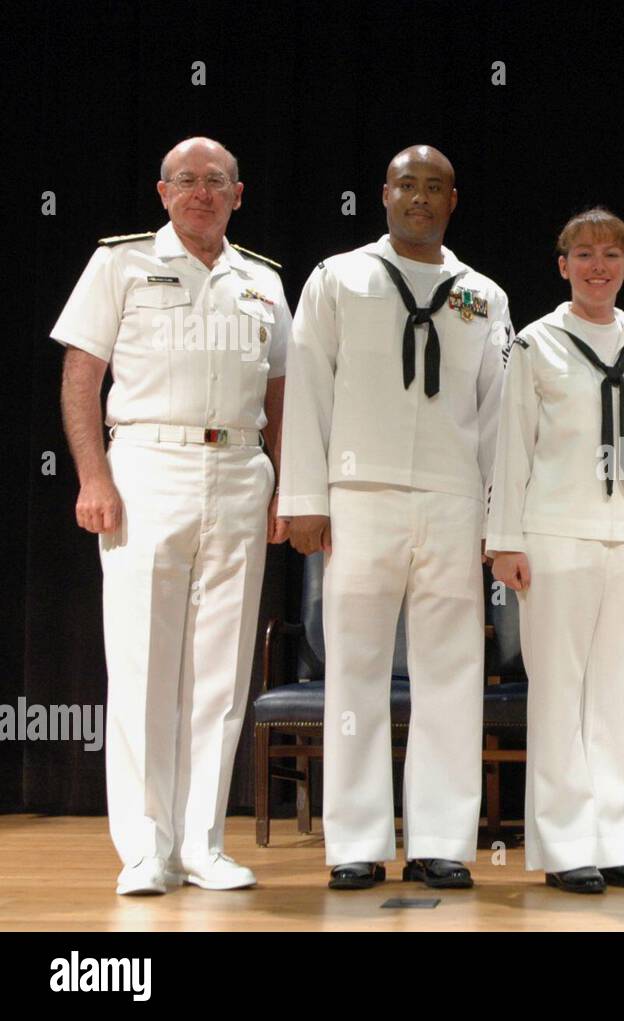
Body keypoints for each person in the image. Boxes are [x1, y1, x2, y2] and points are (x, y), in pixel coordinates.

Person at [52, 136, 290, 895]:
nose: (200, 192)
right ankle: (145, 850)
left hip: (242, 467)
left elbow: (281, 392)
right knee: (145, 665)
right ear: (162, 192)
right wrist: (93, 475)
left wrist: (286, 486)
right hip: (148, 463)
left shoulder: (263, 280)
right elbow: (81, 377)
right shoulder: (119, 262)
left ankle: (202, 843)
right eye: (185, 181)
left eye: (215, 181)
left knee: (220, 674)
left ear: (238, 193)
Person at [278, 145, 511, 891]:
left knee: (452, 672)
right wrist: (304, 499)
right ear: (383, 194)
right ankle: (355, 839)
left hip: (450, 499)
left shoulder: (484, 294)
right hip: (358, 496)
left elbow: (499, 415)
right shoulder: (338, 277)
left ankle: (442, 838)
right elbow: (308, 388)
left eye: (434, 186)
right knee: (354, 670)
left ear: (453, 199)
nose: (419, 197)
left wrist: (496, 517)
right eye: (407, 184)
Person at [488, 208, 624, 894]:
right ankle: (566, 844)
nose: (597, 265)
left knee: (614, 695)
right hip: (553, 534)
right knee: (559, 695)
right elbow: (510, 445)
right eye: (583, 254)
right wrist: (504, 540)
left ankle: (612, 839)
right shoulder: (535, 344)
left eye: (611, 254)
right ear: (562, 264)